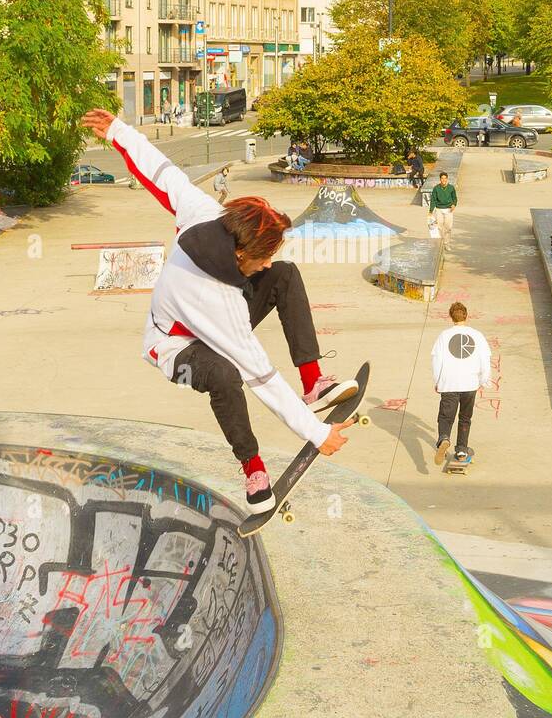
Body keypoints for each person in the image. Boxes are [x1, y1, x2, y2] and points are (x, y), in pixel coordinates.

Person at [81, 109, 358, 514]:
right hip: (175, 346)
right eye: (261, 257)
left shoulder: (208, 213)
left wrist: (119, 132)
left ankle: (313, 382)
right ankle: (253, 467)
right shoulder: (217, 303)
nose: (264, 264)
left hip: (215, 309)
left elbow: (161, 174)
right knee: (226, 375)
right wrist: (317, 434)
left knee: (284, 276)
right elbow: (261, 377)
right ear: (241, 251)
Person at [432, 302, 492, 469]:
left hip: (449, 383)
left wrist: (438, 381)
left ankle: (444, 438)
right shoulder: (477, 335)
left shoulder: (444, 336)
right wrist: (484, 380)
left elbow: (437, 360)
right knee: (465, 417)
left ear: (451, 317)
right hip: (470, 383)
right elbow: (485, 358)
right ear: (466, 316)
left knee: (446, 416)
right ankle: (461, 451)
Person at [429, 171, 458, 247]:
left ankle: (446, 243)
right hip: (439, 209)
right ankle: (441, 244)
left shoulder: (451, 188)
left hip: (449, 209)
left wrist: (454, 205)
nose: (444, 180)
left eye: (445, 178)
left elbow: (455, 198)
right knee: (439, 227)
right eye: (442, 178)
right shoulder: (436, 188)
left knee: (448, 227)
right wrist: (431, 211)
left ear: (447, 179)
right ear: (440, 179)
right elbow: (433, 200)